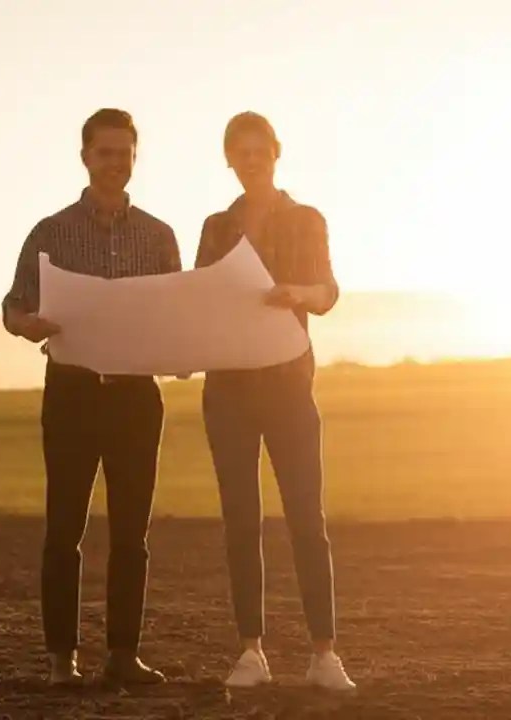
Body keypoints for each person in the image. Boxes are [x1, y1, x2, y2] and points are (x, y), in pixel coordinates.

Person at [1, 108, 181, 687]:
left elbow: (173, 316)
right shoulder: (50, 232)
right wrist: (29, 326)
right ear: (85, 157)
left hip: (136, 397)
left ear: (135, 158)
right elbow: (13, 307)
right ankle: (62, 660)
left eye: (124, 152)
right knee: (64, 530)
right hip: (72, 393)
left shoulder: (159, 237)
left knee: (132, 533)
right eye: (105, 152)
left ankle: (123, 656)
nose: (115, 163)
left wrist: (183, 351)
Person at [193, 111, 356, 691]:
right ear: (229, 159)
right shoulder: (216, 227)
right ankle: (251, 652)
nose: (251, 159)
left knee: (307, 519)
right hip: (229, 390)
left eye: (259, 149)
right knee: (241, 520)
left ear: (276, 152)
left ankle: (323, 653)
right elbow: (200, 298)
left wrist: (298, 294)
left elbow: (329, 292)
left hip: (289, 387)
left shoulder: (306, 219)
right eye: (240, 150)